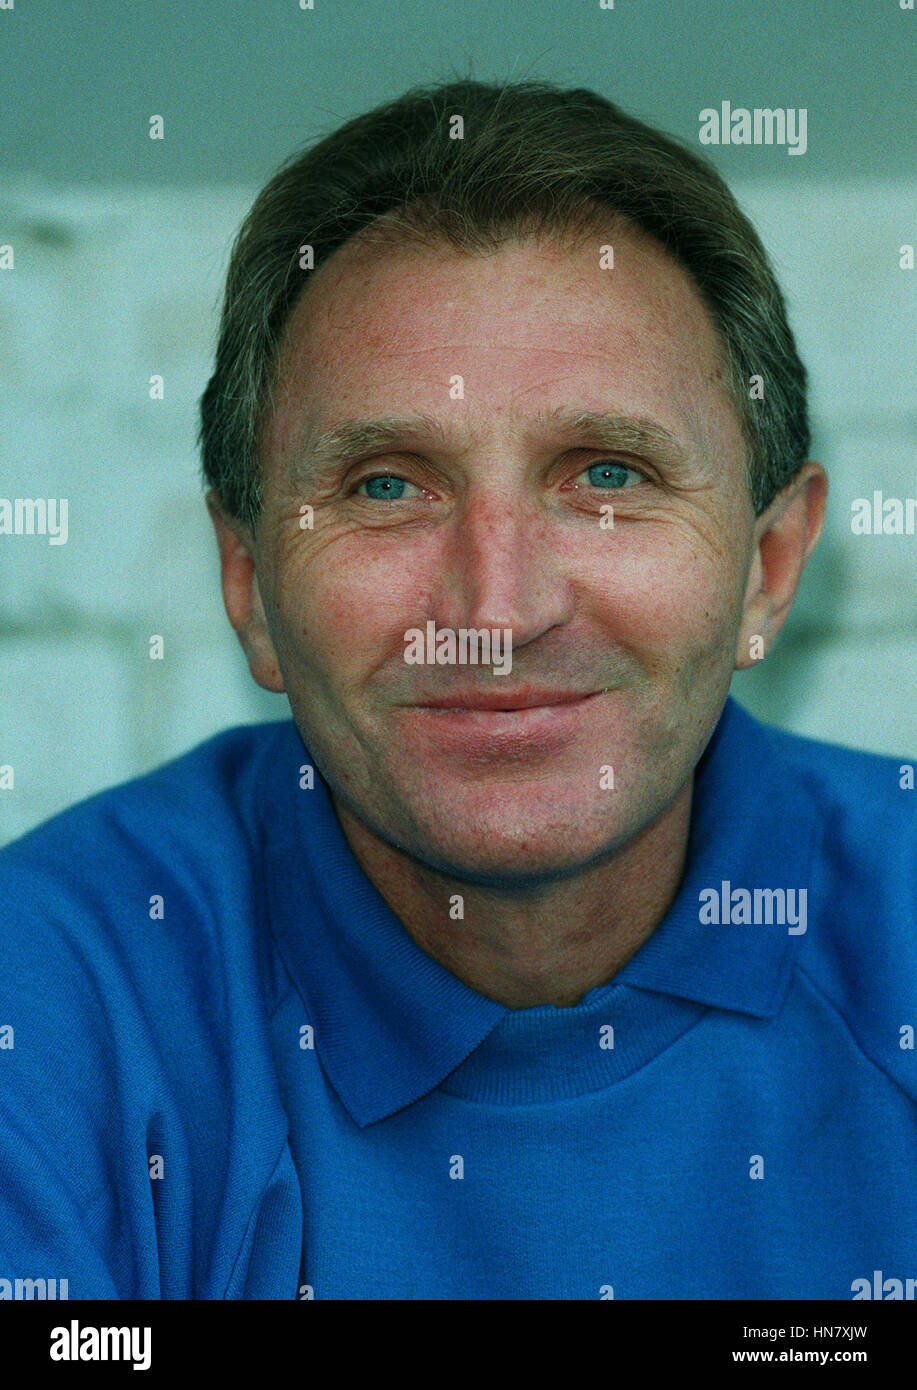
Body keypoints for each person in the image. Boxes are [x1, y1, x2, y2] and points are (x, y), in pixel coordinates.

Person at [1, 80, 914, 1302]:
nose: (495, 612)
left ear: (767, 568)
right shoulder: (51, 995)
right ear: (248, 581)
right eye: (387, 485)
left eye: (605, 472)